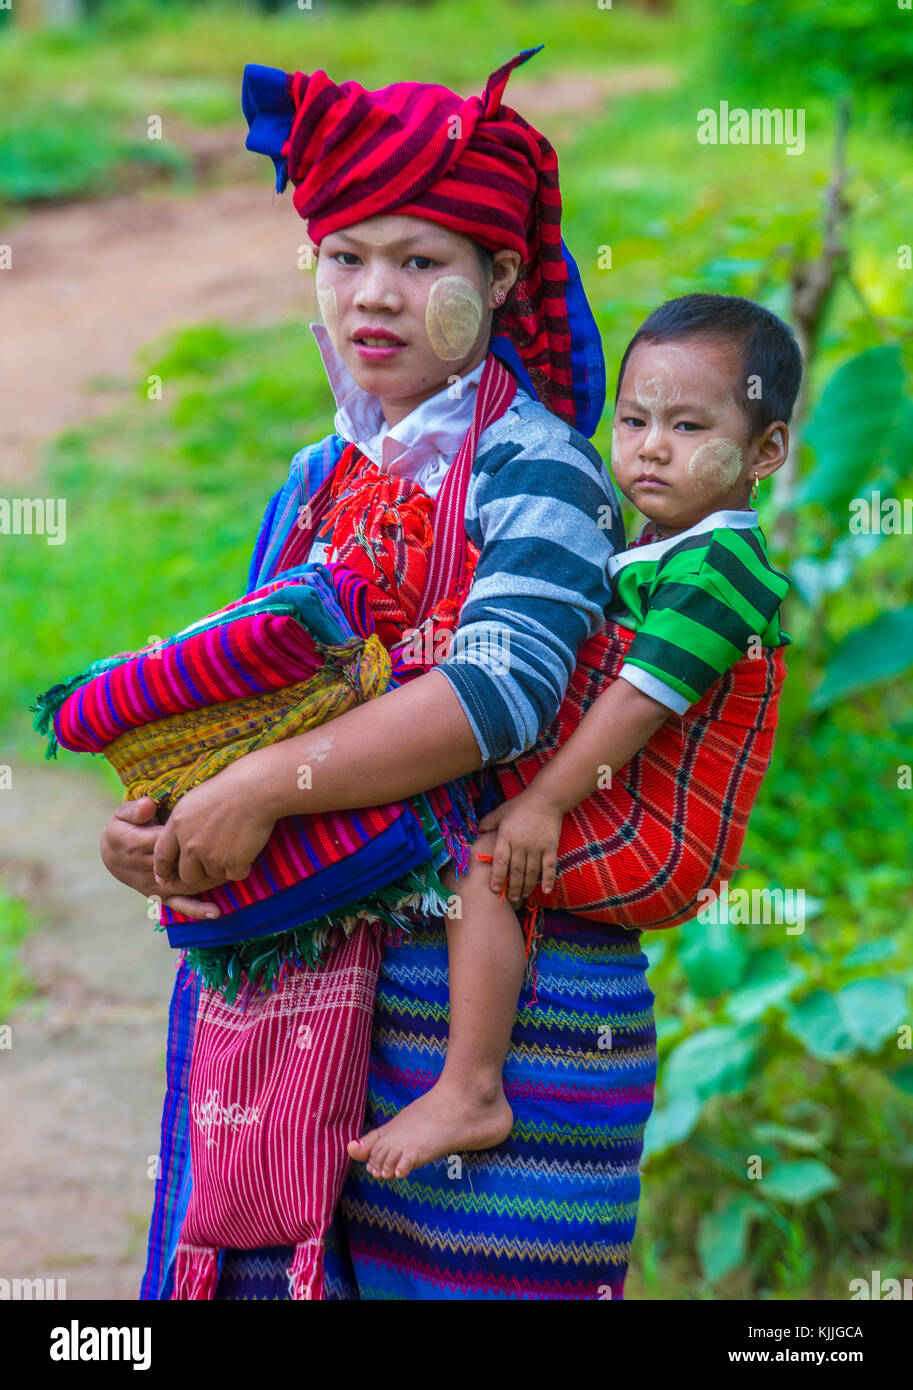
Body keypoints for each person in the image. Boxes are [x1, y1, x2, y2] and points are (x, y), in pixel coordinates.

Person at [106, 49, 658, 1302]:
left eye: (422, 263)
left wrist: (263, 789)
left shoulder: (543, 471)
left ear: (501, 278)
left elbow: (497, 694)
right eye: (347, 256)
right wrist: (165, 813)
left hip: (514, 1009)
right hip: (304, 1003)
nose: (375, 295)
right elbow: (239, 699)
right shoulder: (311, 481)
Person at [348, 292, 799, 1183]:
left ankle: (471, 1088)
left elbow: (641, 699)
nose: (650, 447)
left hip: (661, 832)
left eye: (686, 424)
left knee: (480, 865)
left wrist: (541, 805)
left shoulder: (721, 569)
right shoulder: (654, 548)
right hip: (615, 797)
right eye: (632, 421)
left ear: (765, 451)